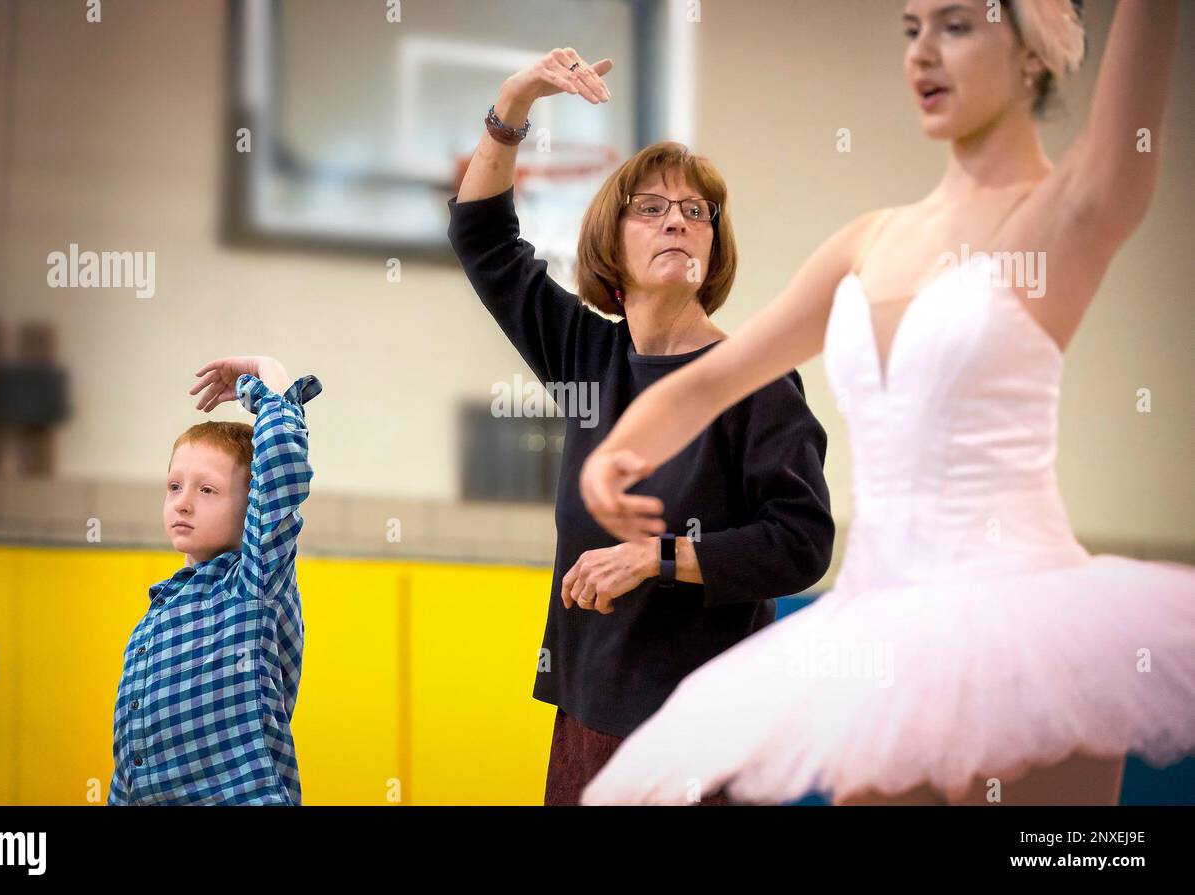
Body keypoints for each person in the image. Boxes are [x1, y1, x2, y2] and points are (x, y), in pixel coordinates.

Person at [577, 0, 1195, 805]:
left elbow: (1129, 114)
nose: (923, 53)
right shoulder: (869, 240)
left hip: (1020, 621)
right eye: (911, 29)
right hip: (876, 631)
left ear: (1034, 53)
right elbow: (714, 377)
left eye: (958, 26)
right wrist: (620, 451)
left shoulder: (1067, 213)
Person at [448, 49, 836, 805]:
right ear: (610, 240)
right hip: (587, 719)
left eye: (697, 211)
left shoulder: (753, 379)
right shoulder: (587, 354)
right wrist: (515, 98)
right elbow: (483, 239)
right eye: (653, 208)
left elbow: (802, 541)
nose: (679, 222)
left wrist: (656, 558)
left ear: (714, 245)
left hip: (702, 730)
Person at [108, 355, 319, 805]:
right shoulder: (151, 626)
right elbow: (129, 767)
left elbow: (280, 468)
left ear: (251, 507)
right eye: (174, 486)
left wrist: (267, 375)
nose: (183, 503)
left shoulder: (254, 585)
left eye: (207, 490)